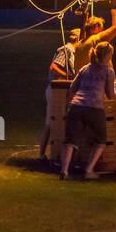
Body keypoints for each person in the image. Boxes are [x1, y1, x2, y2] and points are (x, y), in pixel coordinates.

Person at [60, 40, 116, 179]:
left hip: (76, 106)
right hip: (94, 108)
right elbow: (110, 94)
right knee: (101, 141)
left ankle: (64, 171)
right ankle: (89, 170)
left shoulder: (85, 68)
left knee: (70, 141)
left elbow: (72, 88)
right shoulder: (108, 72)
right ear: (108, 55)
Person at [38, 27, 80, 161]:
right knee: (50, 122)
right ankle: (42, 153)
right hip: (55, 89)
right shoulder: (66, 50)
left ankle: (55, 151)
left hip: (60, 90)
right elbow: (53, 67)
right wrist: (68, 75)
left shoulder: (71, 51)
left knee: (55, 121)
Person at [73, 4, 116, 71]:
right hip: (97, 80)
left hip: (85, 80)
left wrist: (85, 14)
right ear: (96, 27)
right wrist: (113, 8)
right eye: (101, 28)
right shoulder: (95, 39)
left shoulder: (79, 44)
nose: (103, 30)